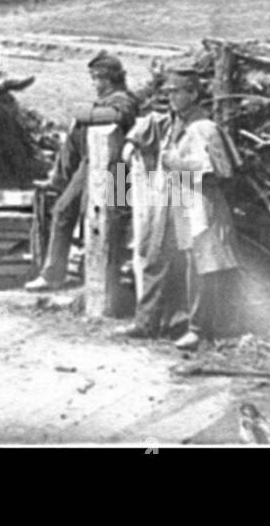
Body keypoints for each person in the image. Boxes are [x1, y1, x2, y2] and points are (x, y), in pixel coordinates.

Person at [115, 67, 242, 351]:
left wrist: (177, 163)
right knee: (156, 253)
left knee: (200, 263)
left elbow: (222, 172)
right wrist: (132, 141)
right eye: (168, 92)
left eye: (176, 92)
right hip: (174, 195)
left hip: (196, 198)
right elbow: (150, 123)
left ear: (193, 94)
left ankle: (199, 331)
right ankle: (146, 323)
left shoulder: (203, 127)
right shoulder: (174, 121)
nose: (170, 97)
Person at [25, 51, 139, 291]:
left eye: (96, 78)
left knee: (113, 219)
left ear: (106, 79)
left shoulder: (123, 99)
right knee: (63, 210)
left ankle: (110, 280)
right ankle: (53, 274)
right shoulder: (106, 100)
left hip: (119, 171)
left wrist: (83, 114)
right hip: (90, 166)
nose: (94, 84)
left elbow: (121, 115)